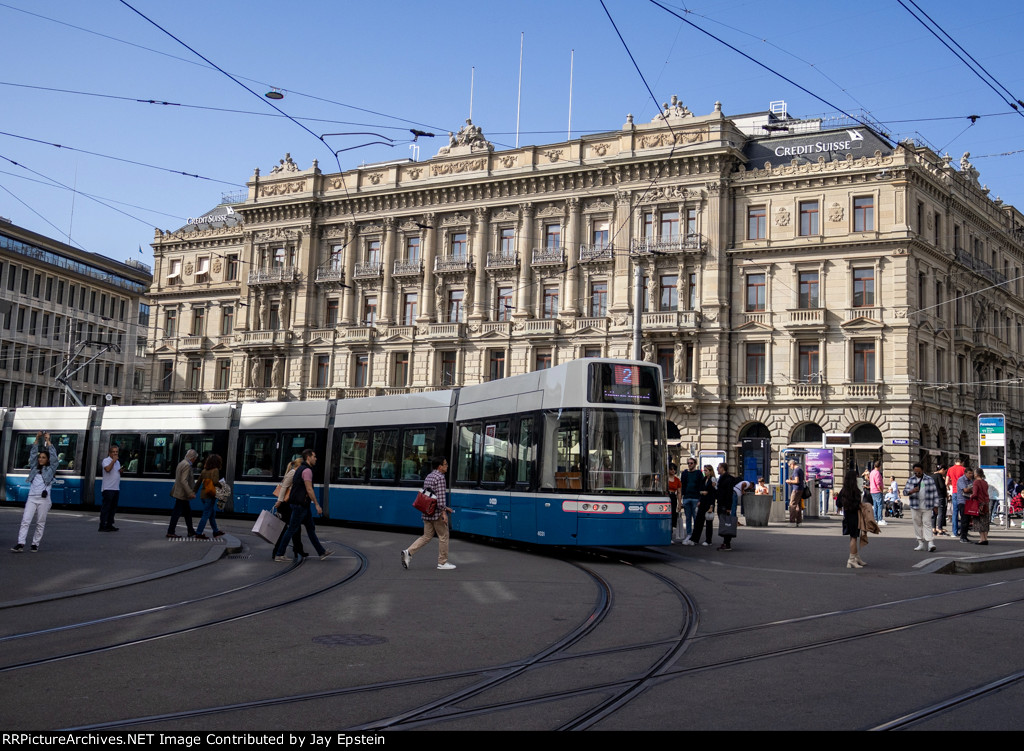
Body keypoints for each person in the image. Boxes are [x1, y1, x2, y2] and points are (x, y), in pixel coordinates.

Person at [273, 449, 333, 561]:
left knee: (310, 528)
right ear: (308, 457)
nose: (316, 458)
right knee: (291, 529)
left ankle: (322, 552)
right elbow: (309, 489)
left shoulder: (300, 469)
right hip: (300, 505)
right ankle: (279, 554)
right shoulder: (307, 471)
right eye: (314, 456)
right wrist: (317, 505)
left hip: (301, 505)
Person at [402, 457, 455, 570]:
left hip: (427, 511)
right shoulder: (440, 478)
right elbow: (440, 498)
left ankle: (409, 552)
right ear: (440, 466)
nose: (447, 466)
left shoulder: (429, 476)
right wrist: (444, 513)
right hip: (436, 513)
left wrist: (446, 508)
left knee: (426, 536)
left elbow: (429, 495)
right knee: (444, 536)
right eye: (445, 464)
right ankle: (442, 562)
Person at [12, 432, 59, 552]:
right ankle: (21, 543)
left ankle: (35, 544)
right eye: (40, 457)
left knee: (40, 522)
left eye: (43, 457)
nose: (40, 459)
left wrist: (48, 441)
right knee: (25, 521)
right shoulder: (34, 467)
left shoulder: (50, 468)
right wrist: (37, 438)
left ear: (47, 459)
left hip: (44, 499)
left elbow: (54, 458)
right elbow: (32, 455)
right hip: (32, 498)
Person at [272, 457, 307, 560]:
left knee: (295, 528)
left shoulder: (296, 473)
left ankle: (298, 549)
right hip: (285, 505)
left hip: (289, 504)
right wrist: (280, 501)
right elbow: (284, 487)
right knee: (286, 529)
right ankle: (277, 553)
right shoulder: (292, 473)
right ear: (299, 466)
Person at [903, 462, 939, 553]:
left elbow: (935, 493)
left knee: (927, 523)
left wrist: (936, 506)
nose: (917, 474)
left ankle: (930, 543)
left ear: (922, 471)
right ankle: (920, 543)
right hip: (915, 505)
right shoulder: (911, 480)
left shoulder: (929, 479)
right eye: (915, 472)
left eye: (919, 472)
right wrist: (911, 491)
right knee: (917, 524)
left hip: (927, 505)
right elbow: (904, 492)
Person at [167, 449, 199, 538]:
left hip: (180, 492)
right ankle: (170, 532)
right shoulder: (187, 465)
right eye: (195, 458)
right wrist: (190, 493)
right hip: (182, 494)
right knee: (176, 513)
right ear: (192, 458)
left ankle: (190, 531)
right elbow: (183, 480)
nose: (195, 460)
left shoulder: (181, 463)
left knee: (187, 513)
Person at [838, 470, 866, 568]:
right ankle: (851, 559)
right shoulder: (855, 490)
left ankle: (856, 557)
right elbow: (859, 502)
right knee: (854, 537)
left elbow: (838, 502)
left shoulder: (844, 489)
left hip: (847, 515)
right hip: (855, 515)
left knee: (852, 536)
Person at [195, 453, 225, 539]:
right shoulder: (215, 470)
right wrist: (222, 486)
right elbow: (215, 482)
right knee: (206, 514)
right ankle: (199, 533)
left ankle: (215, 531)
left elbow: (198, 482)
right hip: (210, 495)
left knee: (212, 514)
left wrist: (194, 492)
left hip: (203, 495)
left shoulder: (204, 470)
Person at [687, 465, 717, 547]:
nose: (705, 472)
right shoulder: (704, 479)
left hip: (709, 502)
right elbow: (700, 490)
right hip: (702, 502)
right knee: (698, 522)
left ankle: (708, 540)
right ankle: (694, 539)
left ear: (710, 471)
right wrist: (701, 497)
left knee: (708, 522)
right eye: (704, 470)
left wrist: (711, 506)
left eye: (706, 470)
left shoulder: (713, 480)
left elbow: (713, 493)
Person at [679, 457, 703, 545]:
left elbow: (701, 486)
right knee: (688, 517)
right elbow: (682, 486)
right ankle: (689, 534)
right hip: (687, 497)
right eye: (688, 463)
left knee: (696, 517)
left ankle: (695, 536)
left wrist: (700, 499)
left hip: (695, 498)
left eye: (691, 463)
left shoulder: (698, 473)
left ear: (695, 464)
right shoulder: (685, 473)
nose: (689, 465)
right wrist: (681, 499)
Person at [716, 463, 740, 551]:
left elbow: (729, 493)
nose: (717, 469)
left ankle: (727, 543)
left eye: (718, 468)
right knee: (724, 522)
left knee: (725, 523)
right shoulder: (722, 478)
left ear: (723, 468)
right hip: (721, 503)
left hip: (724, 504)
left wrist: (728, 507)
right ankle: (726, 542)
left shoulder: (727, 479)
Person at [99, 443, 122, 532]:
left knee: (113, 508)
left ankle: (109, 524)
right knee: (106, 508)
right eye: (113, 452)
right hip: (108, 488)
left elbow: (116, 473)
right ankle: (102, 525)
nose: (115, 454)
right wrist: (113, 461)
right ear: (109, 453)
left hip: (116, 488)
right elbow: (107, 469)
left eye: (117, 452)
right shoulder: (106, 460)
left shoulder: (118, 462)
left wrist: (120, 470)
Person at [967, 468, 991, 546]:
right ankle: (985, 538)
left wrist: (971, 496)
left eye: (974, 473)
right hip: (986, 503)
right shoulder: (985, 482)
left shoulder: (976, 482)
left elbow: (975, 494)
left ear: (976, 474)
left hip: (979, 504)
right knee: (985, 521)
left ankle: (982, 539)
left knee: (979, 521)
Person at [955, 467, 975, 543]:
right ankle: (962, 537)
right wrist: (971, 489)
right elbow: (965, 490)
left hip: (969, 501)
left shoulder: (971, 480)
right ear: (965, 473)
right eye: (969, 473)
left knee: (968, 520)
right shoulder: (961, 480)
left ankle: (965, 536)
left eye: (972, 473)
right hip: (962, 501)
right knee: (964, 519)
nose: (971, 475)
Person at [785, 459, 805, 526]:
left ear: (792, 464)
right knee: (798, 506)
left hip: (796, 490)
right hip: (800, 489)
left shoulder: (796, 470)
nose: (790, 467)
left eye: (789, 465)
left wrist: (789, 481)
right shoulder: (800, 470)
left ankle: (792, 522)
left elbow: (797, 481)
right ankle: (799, 522)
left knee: (792, 505)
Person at [932, 464, 949, 536]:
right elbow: (942, 486)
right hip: (940, 496)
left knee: (934, 513)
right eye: (945, 471)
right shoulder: (939, 476)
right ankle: (939, 528)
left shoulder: (931, 476)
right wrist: (944, 481)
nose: (945, 473)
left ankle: (933, 528)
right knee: (941, 512)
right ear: (942, 469)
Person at [667, 464, 682, 542]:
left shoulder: (677, 480)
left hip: (673, 497)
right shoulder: (665, 479)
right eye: (671, 469)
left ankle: (670, 535)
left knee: (673, 516)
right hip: (666, 496)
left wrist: (679, 503)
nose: (673, 471)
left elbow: (679, 492)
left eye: (674, 469)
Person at [870, 461, 886, 525]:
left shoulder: (872, 472)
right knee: (880, 505)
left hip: (872, 490)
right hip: (877, 491)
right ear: (880, 466)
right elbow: (878, 484)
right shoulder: (877, 473)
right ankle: (880, 519)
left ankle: (875, 519)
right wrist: (881, 490)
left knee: (875, 505)